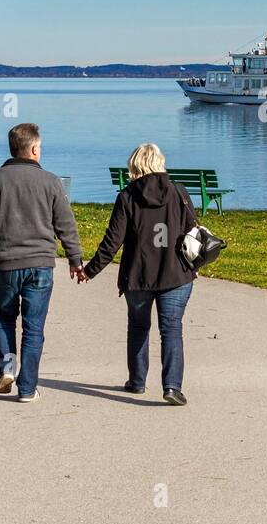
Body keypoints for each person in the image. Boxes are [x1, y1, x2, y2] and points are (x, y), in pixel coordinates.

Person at [0, 123, 84, 403]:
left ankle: (7, 367)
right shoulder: (51, 182)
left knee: (5, 318)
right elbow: (65, 225)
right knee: (33, 327)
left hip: (5, 263)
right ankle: (27, 388)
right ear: (33, 149)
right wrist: (75, 259)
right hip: (40, 264)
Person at [78, 142, 197, 406]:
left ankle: (138, 381)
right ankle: (172, 386)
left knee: (139, 327)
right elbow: (193, 231)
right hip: (176, 274)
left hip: (139, 276)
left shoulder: (127, 197)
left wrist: (90, 270)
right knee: (172, 329)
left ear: (135, 165)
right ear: (160, 163)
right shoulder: (179, 192)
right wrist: (194, 266)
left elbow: (112, 242)